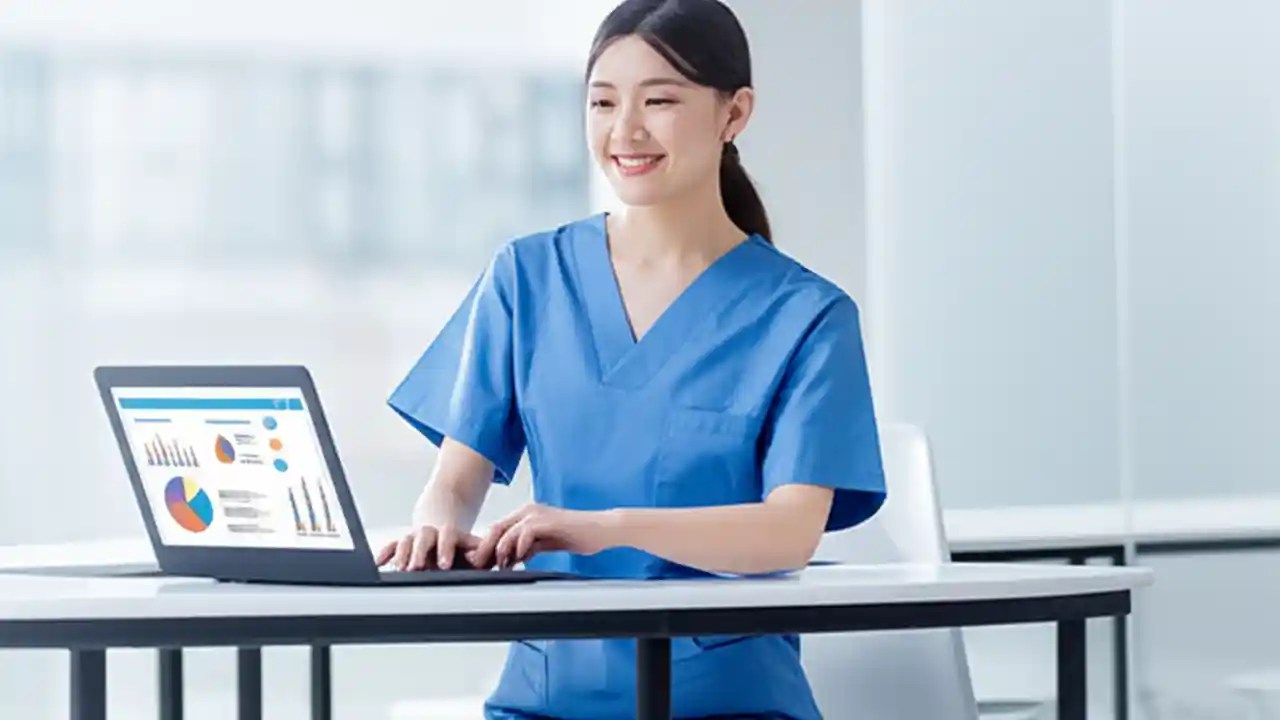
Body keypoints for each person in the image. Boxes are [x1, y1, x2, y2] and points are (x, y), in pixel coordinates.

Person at [375, 0, 887, 717]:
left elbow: (789, 532)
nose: (626, 131)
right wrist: (437, 526)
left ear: (735, 113)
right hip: (547, 700)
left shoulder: (806, 317)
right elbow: (456, 481)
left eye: (660, 101)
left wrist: (603, 528)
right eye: (603, 102)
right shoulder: (528, 278)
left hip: (727, 706)